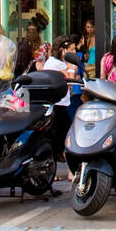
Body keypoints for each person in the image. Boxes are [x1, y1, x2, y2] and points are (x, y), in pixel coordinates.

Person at [41, 35, 75, 174]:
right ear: (63, 50)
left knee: (60, 137)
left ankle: (57, 171)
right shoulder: (55, 64)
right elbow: (70, 78)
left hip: (59, 104)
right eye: (71, 49)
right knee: (65, 136)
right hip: (56, 105)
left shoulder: (56, 62)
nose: (74, 52)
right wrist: (72, 68)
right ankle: (69, 171)